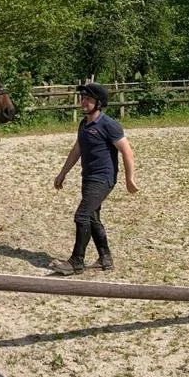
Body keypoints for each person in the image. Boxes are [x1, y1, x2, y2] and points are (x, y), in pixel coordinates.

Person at [50, 82, 138, 274]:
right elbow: (77, 149)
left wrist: (129, 179)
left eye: (88, 99)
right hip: (88, 177)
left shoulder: (109, 125)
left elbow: (127, 151)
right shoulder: (84, 124)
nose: (84, 101)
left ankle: (76, 262)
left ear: (99, 103)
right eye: (83, 98)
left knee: (81, 215)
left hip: (102, 179)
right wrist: (63, 172)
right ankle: (105, 258)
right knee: (92, 217)